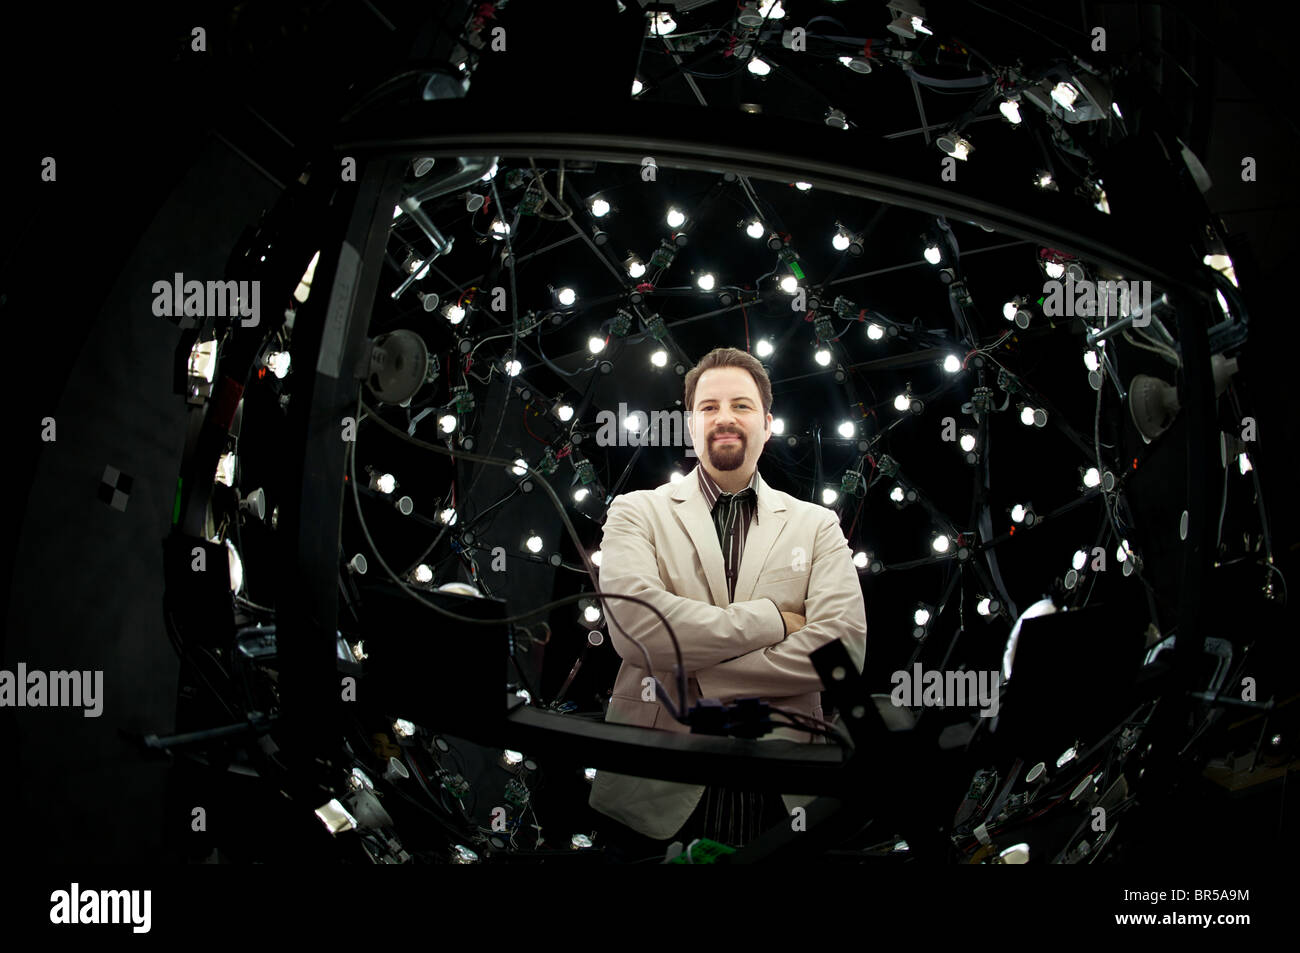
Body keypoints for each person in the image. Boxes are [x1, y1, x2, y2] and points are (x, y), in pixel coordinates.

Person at [589, 347, 867, 861]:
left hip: (782, 788)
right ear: (690, 424)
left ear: (766, 422)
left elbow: (841, 649)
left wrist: (700, 674)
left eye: (741, 406)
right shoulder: (636, 512)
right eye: (709, 406)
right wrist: (773, 621)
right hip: (655, 783)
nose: (724, 418)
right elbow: (635, 631)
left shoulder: (816, 525)